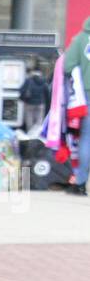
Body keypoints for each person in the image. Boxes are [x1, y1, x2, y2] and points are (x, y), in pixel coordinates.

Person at [64, 18, 90, 196]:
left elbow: (68, 67)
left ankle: (80, 183)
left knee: (87, 139)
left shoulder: (80, 39)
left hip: (87, 94)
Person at [19, 63, 49, 134]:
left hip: (29, 103)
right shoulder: (43, 81)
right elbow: (47, 92)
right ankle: (38, 135)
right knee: (39, 120)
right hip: (41, 104)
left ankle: (30, 135)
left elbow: (21, 90)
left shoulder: (28, 80)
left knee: (29, 120)